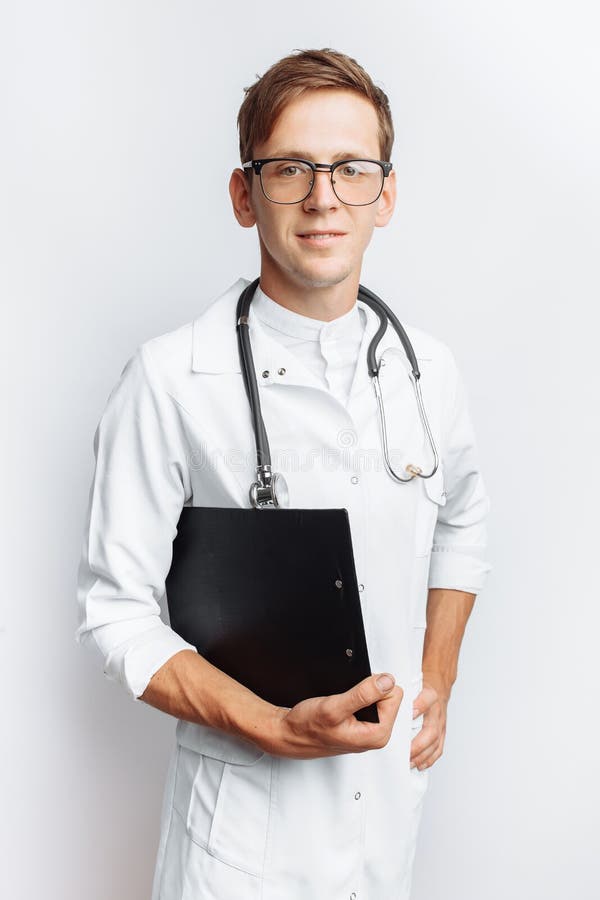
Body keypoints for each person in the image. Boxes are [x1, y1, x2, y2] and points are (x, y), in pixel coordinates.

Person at [76, 47, 491, 900]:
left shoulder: (429, 374)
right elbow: (114, 614)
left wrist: (438, 675)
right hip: (240, 841)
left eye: (350, 168)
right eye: (290, 168)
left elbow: (462, 521)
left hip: (386, 828)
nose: (323, 196)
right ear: (243, 193)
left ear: (388, 193)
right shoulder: (170, 378)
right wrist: (269, 723)